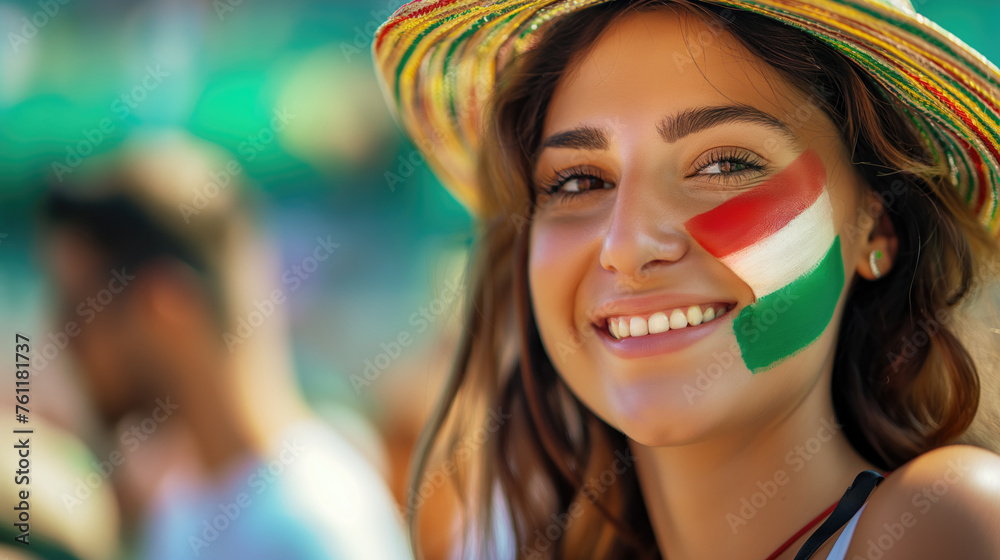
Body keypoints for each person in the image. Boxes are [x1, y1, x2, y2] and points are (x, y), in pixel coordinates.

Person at [373, 0, 1000, 558]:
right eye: (579, 181)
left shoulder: (944, 520)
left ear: (876, 227)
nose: (626, 246)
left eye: (724, 164)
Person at [39, 131, 411, 560]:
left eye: (79, 309)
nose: (62, 340)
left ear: (164, 306)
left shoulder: (315, 524)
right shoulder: (182, 512)